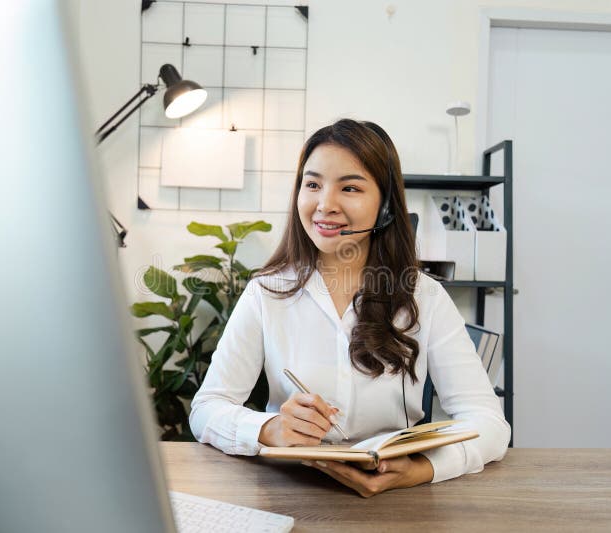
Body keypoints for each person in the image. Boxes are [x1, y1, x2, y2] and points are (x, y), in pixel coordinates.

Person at [189, 118, 510, 497]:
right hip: (291, 493)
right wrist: (267, 429)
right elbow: (207, 407)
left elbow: (489, 423)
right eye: (312, 185)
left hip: (398, 502)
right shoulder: (266, 292)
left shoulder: (425, 297)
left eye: (350, 187)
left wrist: (420, 470)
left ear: (386, 206)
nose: (325, 205)